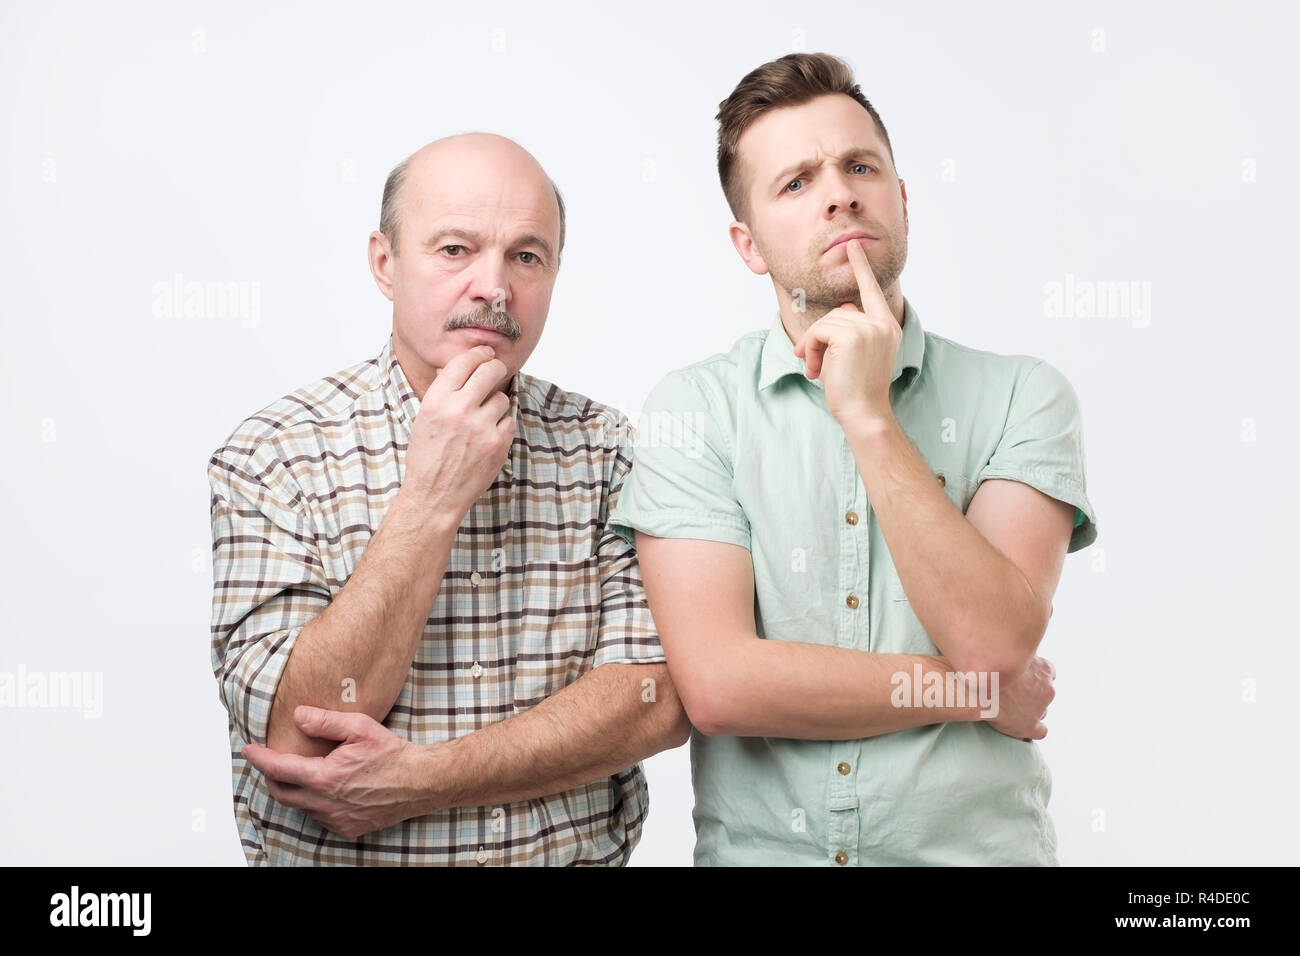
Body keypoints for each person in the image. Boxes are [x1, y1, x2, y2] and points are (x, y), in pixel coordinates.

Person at [609, 52, 1098, 866]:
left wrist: (870, 418)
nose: (839, 191)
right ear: (749, 244)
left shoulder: (1024, 398)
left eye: (859, 166)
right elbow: (722, 687)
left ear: (901, 200)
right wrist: (973, 694)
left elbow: (993, 640)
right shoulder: (694, 413)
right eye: (796, 183)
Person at [207, 132, 689, 866]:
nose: (494, 287)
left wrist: (425, 780)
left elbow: (651, 701)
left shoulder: (609, 446)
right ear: (384, 262)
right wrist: (431, 499)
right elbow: (301, 735)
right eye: (455, 250)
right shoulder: (271, 455)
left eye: (527, 256)